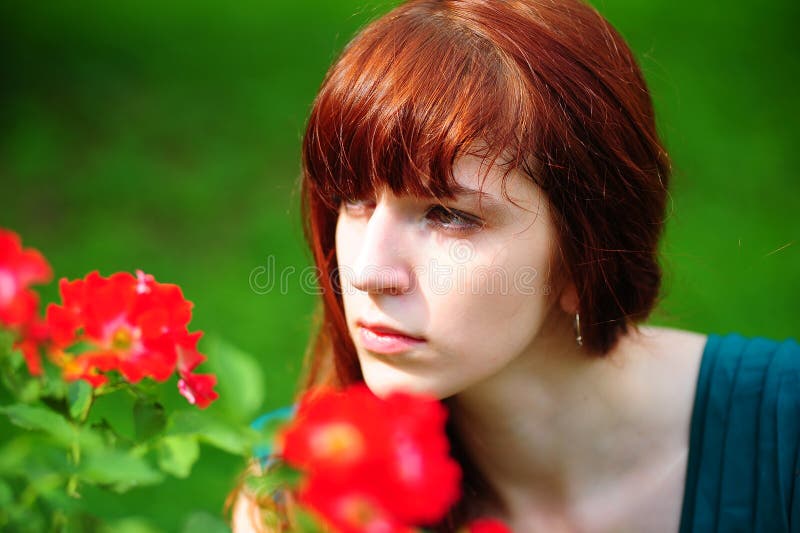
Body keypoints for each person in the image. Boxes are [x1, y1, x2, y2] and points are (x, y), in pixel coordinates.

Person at [232, 0, 800, 531]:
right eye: (354, 197)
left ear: (587, 253)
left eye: (447, 215)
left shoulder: (784, 433)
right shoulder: (300, 488)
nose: (366, 271)